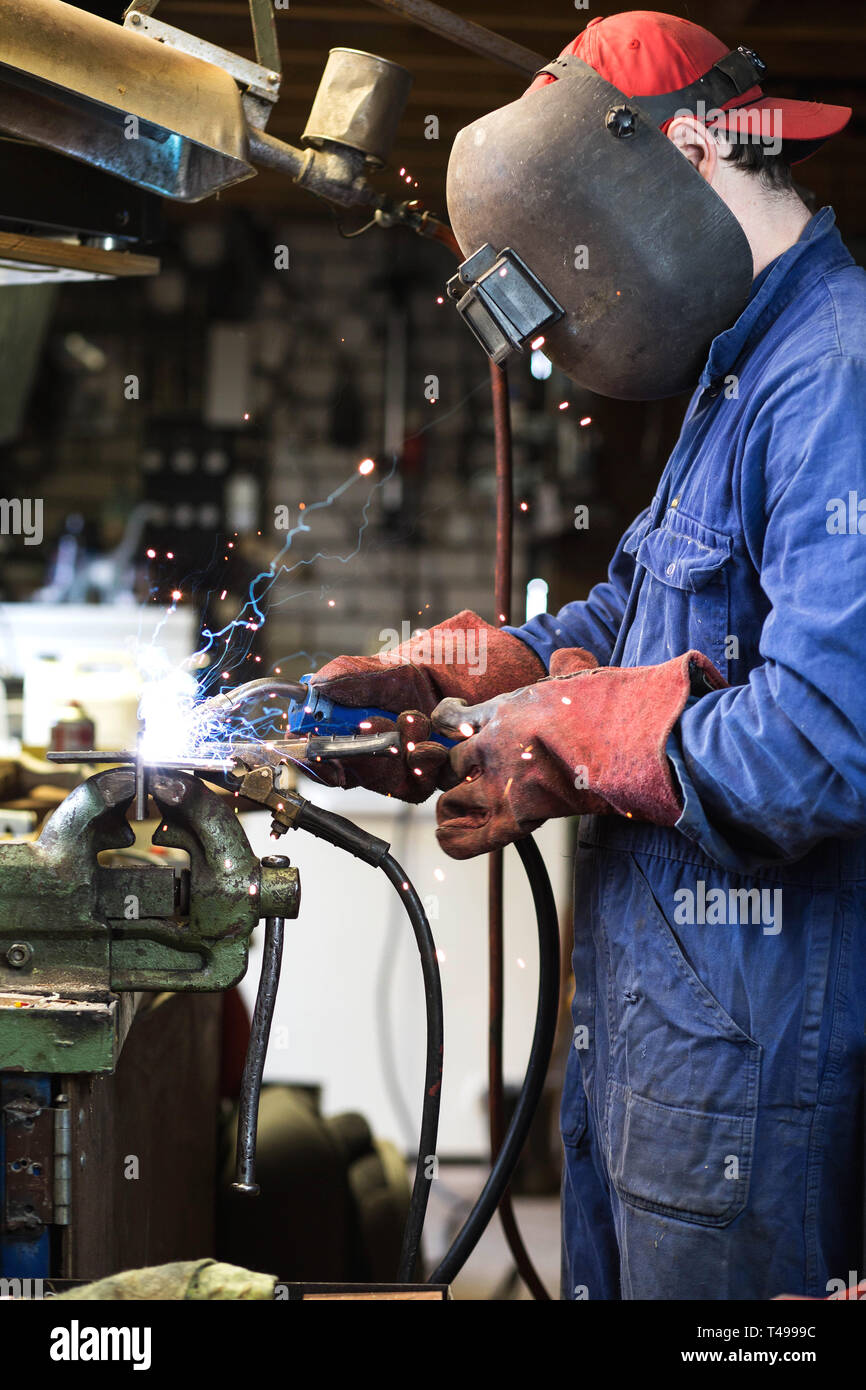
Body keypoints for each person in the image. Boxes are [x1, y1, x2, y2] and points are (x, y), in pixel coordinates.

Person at [306, 11, 865, 1300]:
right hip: (655, 1057)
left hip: (752, 1076)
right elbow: (628, 621)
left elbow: (826, 739)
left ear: (680, 154)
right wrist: (489, 669)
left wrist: (565, 738)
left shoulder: (831, 372)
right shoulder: (741, 368)